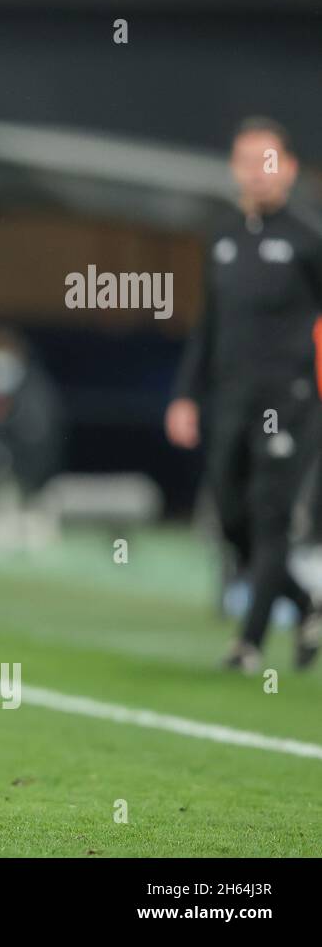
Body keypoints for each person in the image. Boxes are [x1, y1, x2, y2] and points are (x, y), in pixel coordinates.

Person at [165, 117, 322, 673]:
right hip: (229, 399)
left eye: (268, 161)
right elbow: (207, 325)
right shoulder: (224, 237)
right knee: (231, 518)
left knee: (269, 513)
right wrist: (185, 396)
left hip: (291, 401)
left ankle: (249, 643)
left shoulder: (307, 238)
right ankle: (305, 605)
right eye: (247, 161)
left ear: (290, 168)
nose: (257, 172)